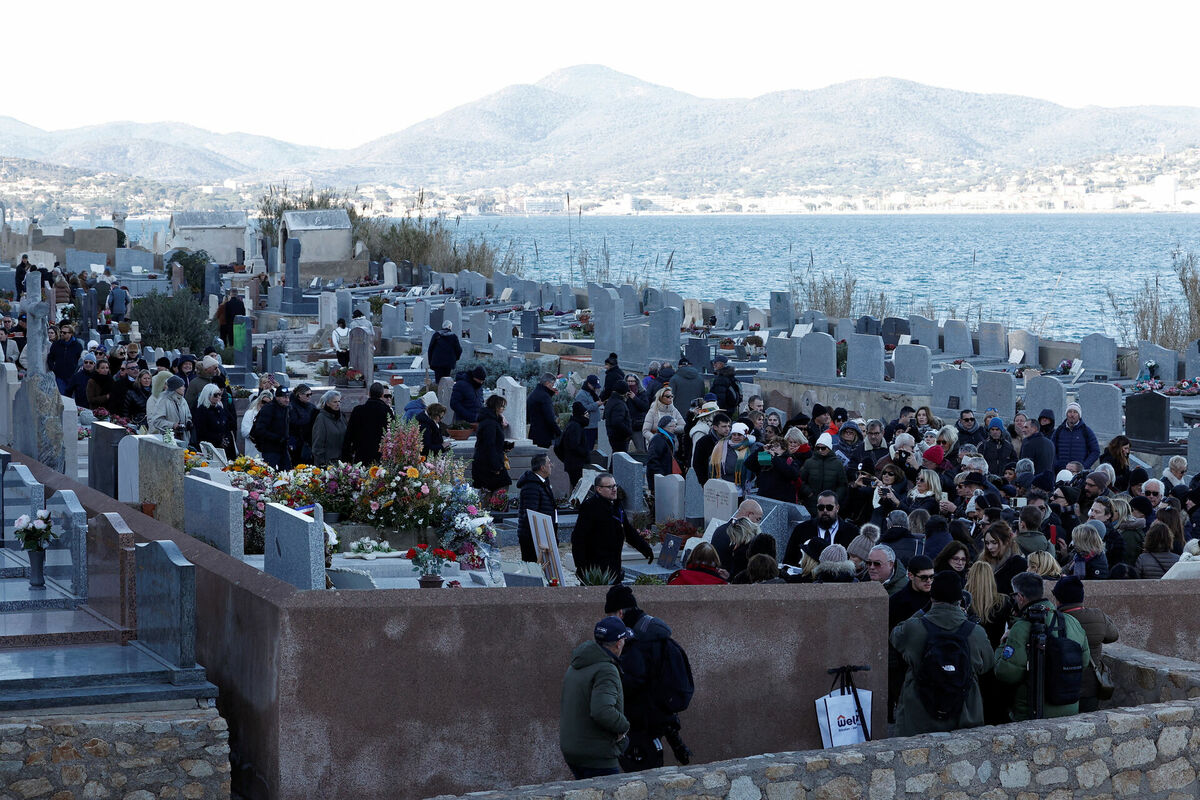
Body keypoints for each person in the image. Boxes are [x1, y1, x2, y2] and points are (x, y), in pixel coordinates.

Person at [890, 570, 993, 736]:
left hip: (918, 714)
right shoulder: (975, 632)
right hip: (964, 714)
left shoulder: (914, 628)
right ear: (960, 599)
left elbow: (895, 636)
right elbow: (987, 664)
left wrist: (922, 612)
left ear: (932, 597)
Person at [603, 585, 692, 772]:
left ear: (620, 613)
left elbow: (632, 680)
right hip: (658, 718)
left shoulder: (637, 640)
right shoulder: (653, 631)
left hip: (642, 723)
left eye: (610, 615)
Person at [994, 572, 1091, 721]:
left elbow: (1006, 673)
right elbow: (1084, 662)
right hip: (1069, 709)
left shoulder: (1021, 627)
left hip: (1032, 712)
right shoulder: (1072, 622)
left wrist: (1002, 644)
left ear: (1020, 597)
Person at [559, 616, 632, 780]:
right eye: (624, 640)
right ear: (618, 643)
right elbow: (603, 710)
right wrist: (624, 727)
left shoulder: (577, 663)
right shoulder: (606, 669)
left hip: (573, 750)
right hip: (597, 754)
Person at [1051, 575, 1118, 713]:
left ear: (1058, 600)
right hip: (1091, 686)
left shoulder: (1054, 620)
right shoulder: (1097, 615)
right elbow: (1113, 636)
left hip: (1062, 686)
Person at [572, 472, 653, 582]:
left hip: (614, 563)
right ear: (598, 489)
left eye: (615, 485)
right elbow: (578, 537)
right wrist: (581, 566)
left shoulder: (616, 505)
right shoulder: (590, 506)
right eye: (609, 487)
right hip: (595, 566)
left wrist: (645, 549)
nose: (614, 489)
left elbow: (628, 530)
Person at [783, 490, 859, 565]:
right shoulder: (802, 529)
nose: (825, 511)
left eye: (829, 507)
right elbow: (788, 561)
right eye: (821, 507)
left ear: (837, 508)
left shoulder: (852, 532)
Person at [341, 382, 395, 466]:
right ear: (381, 395)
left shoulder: (358, 410)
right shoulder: (387, 411)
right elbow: (392, 432)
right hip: (380, 454)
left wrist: (346, 456)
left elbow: (349, 434)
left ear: (369, 394)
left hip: (361, 453)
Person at [517, 453, 558, 562]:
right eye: (549, 463)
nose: (551, 465)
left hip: (543, 534)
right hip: (534, 538)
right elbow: (531, 515)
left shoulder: (542, 483)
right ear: (542, 468)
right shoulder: (531, 486)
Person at [471, 394, 513, 495]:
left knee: (489, 491)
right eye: (501, 406)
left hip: (486, 463)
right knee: (501, 487)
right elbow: (489, 445)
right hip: (489, 465)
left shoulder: (491, 421)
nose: (503, 409)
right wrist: (496, 466)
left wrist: (504, 446)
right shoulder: (490, 423)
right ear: (496, 407)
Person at [799, 433, 848, 511]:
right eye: (818, 448)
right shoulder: (809, 462)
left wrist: (835, 498)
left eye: (823, 448)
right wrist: (809, 493)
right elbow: (801, 481)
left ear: (829, 448)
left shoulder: (837, 464)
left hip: (830, 505)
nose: (820, 450)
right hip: (812, 503)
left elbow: (842, 485)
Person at [979, 521, 1027, 594]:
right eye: (987, 543)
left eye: (994, 542)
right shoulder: (982, 561)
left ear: (1007, 541)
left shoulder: (1019, 564)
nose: (989, 547)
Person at [251, 387, 292, 470]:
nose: (287, 400)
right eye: (284, 397)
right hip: (270, 448)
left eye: (288, 397)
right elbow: (260, 430)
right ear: (277, 397)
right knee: (270, 473)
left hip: (283, 448)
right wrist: (277, 438)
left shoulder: (286, 408)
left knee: (287, 473)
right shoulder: (269, 408)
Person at [1051, 402, 1100, 472]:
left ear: (1079, 415)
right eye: (1070, 412)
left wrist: (1083, 466)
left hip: (1078, 473)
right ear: (1066, 414)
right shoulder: (1059, 430)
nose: (1072, 415)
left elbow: (1095, 451)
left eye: (1075, 412)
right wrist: (1056, 464)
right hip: (1061, 471)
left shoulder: (1086, 431)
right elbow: (1051, 449)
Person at [557, 402, 592, 490]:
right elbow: (573, 446)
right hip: (576, 465)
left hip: (574, 464)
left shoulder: (574, 425)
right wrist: (585, 453)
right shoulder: (575, 427)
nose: (588, 418)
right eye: (586, 415)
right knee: (579, 489)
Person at [310, 390, 347, 466]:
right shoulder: (321, 418)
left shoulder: (342, 417)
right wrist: (322, 464)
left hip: (342, 462)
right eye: (335, 402)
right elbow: (317, 444)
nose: (338, 404)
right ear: (327, 403)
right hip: (327, 462)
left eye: (339, 401)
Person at [193, 383, 231, 452]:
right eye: (215, 395)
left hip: (221, 447)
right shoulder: (202, 410)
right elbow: (202, 432)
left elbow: (227, 425)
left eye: (220, 394)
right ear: (208, 395)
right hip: (208, 447)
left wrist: (226, 439)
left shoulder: (219, 408)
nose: (219, 397)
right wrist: (219, 439)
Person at [527, 372, 561, 448]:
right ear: (547, 383)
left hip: (533, 433)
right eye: (553, 384)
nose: (554, 387)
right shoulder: (545, 397)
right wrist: (559, 433)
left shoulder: (533, 394)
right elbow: (550, 419)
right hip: (544, 436)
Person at [287, 384, 318, 466]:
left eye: (311, 394)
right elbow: (293, 422)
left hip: (307, 440)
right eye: (307, 395)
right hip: (295, 441)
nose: (309, 397)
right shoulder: (291, 406)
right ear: (299, 395)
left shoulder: (311, 406)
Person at [48, 323, 83, 394]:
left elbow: (80, 359)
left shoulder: (77, 345)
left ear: (71, 334)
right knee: (63, 396)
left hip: (72, 376)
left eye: (64, 332)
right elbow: (50, 357)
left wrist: (76, 370)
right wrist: (53, 368)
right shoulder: (56, 344)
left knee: (72, 397)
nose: (62, 334)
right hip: (59, 375)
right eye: (61, 332)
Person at [603, 382, 634, 455]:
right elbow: (617, 422)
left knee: (616, 456)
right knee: (620, 458)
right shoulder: (619, 404)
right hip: (620, 437)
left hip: (614, 435)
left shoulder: (611, 400)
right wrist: (628, 432)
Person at [575, 374, 603, 451]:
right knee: (587, 448)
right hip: (588, 426)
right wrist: (596, 404)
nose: (595, 388)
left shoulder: (592, 392)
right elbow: (583, 408)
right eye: (594, 386)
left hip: (594, 425)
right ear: (588, 384)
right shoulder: (581, 394)